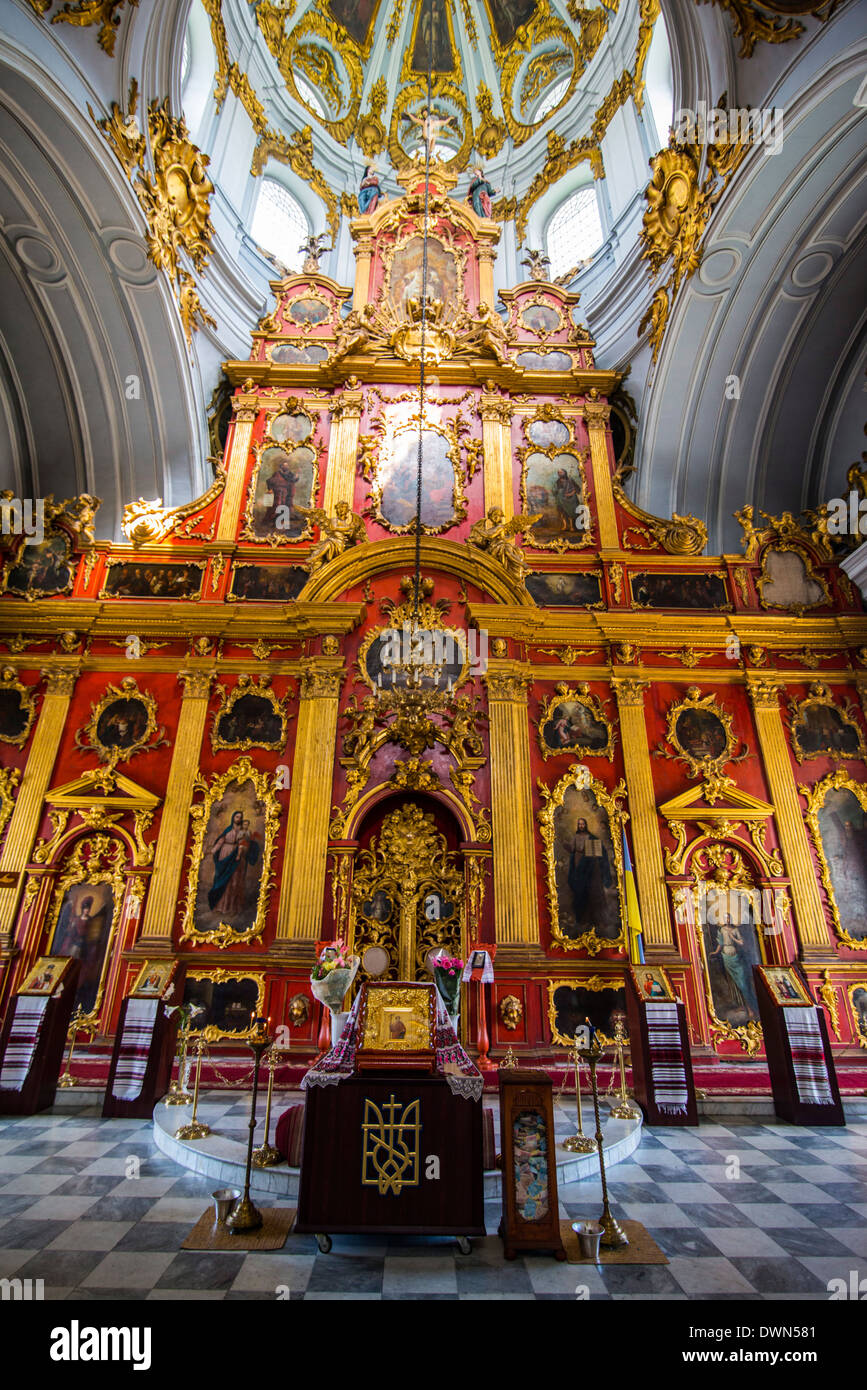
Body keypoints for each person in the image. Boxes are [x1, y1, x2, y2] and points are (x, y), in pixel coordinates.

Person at [567, 817, 614, 933]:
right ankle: (583, 920)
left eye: (582, 824)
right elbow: (572, 849)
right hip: (579, 865)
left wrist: (594, 856)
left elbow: (601, 853)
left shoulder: (592, 838)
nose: (581, 826)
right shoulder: (575, 837)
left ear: (586, 825)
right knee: (581, 893)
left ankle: (599, 920)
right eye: (579, 824)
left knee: (595, 892)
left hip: (592, 867)